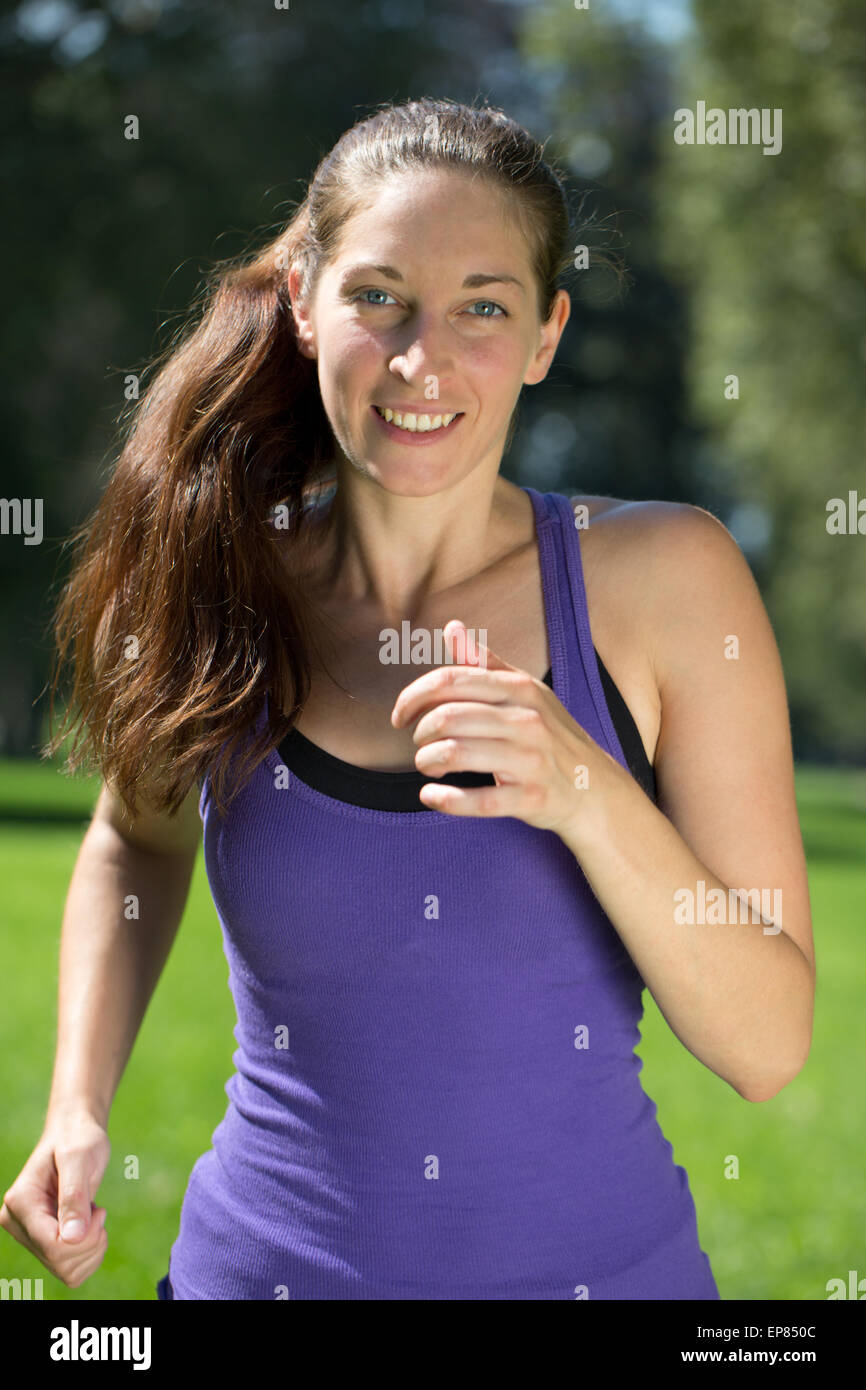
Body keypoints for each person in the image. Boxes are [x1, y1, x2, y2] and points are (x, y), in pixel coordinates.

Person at [0, 97, 814, 1300]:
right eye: (378, 297)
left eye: (482, 307)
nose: (422, 358)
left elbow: (764, 1047)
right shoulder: (218, 577)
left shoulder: (666, 579)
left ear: (544, 337)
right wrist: (76, 1105)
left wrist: (584, 789)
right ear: (303, 307)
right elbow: (134, 839)